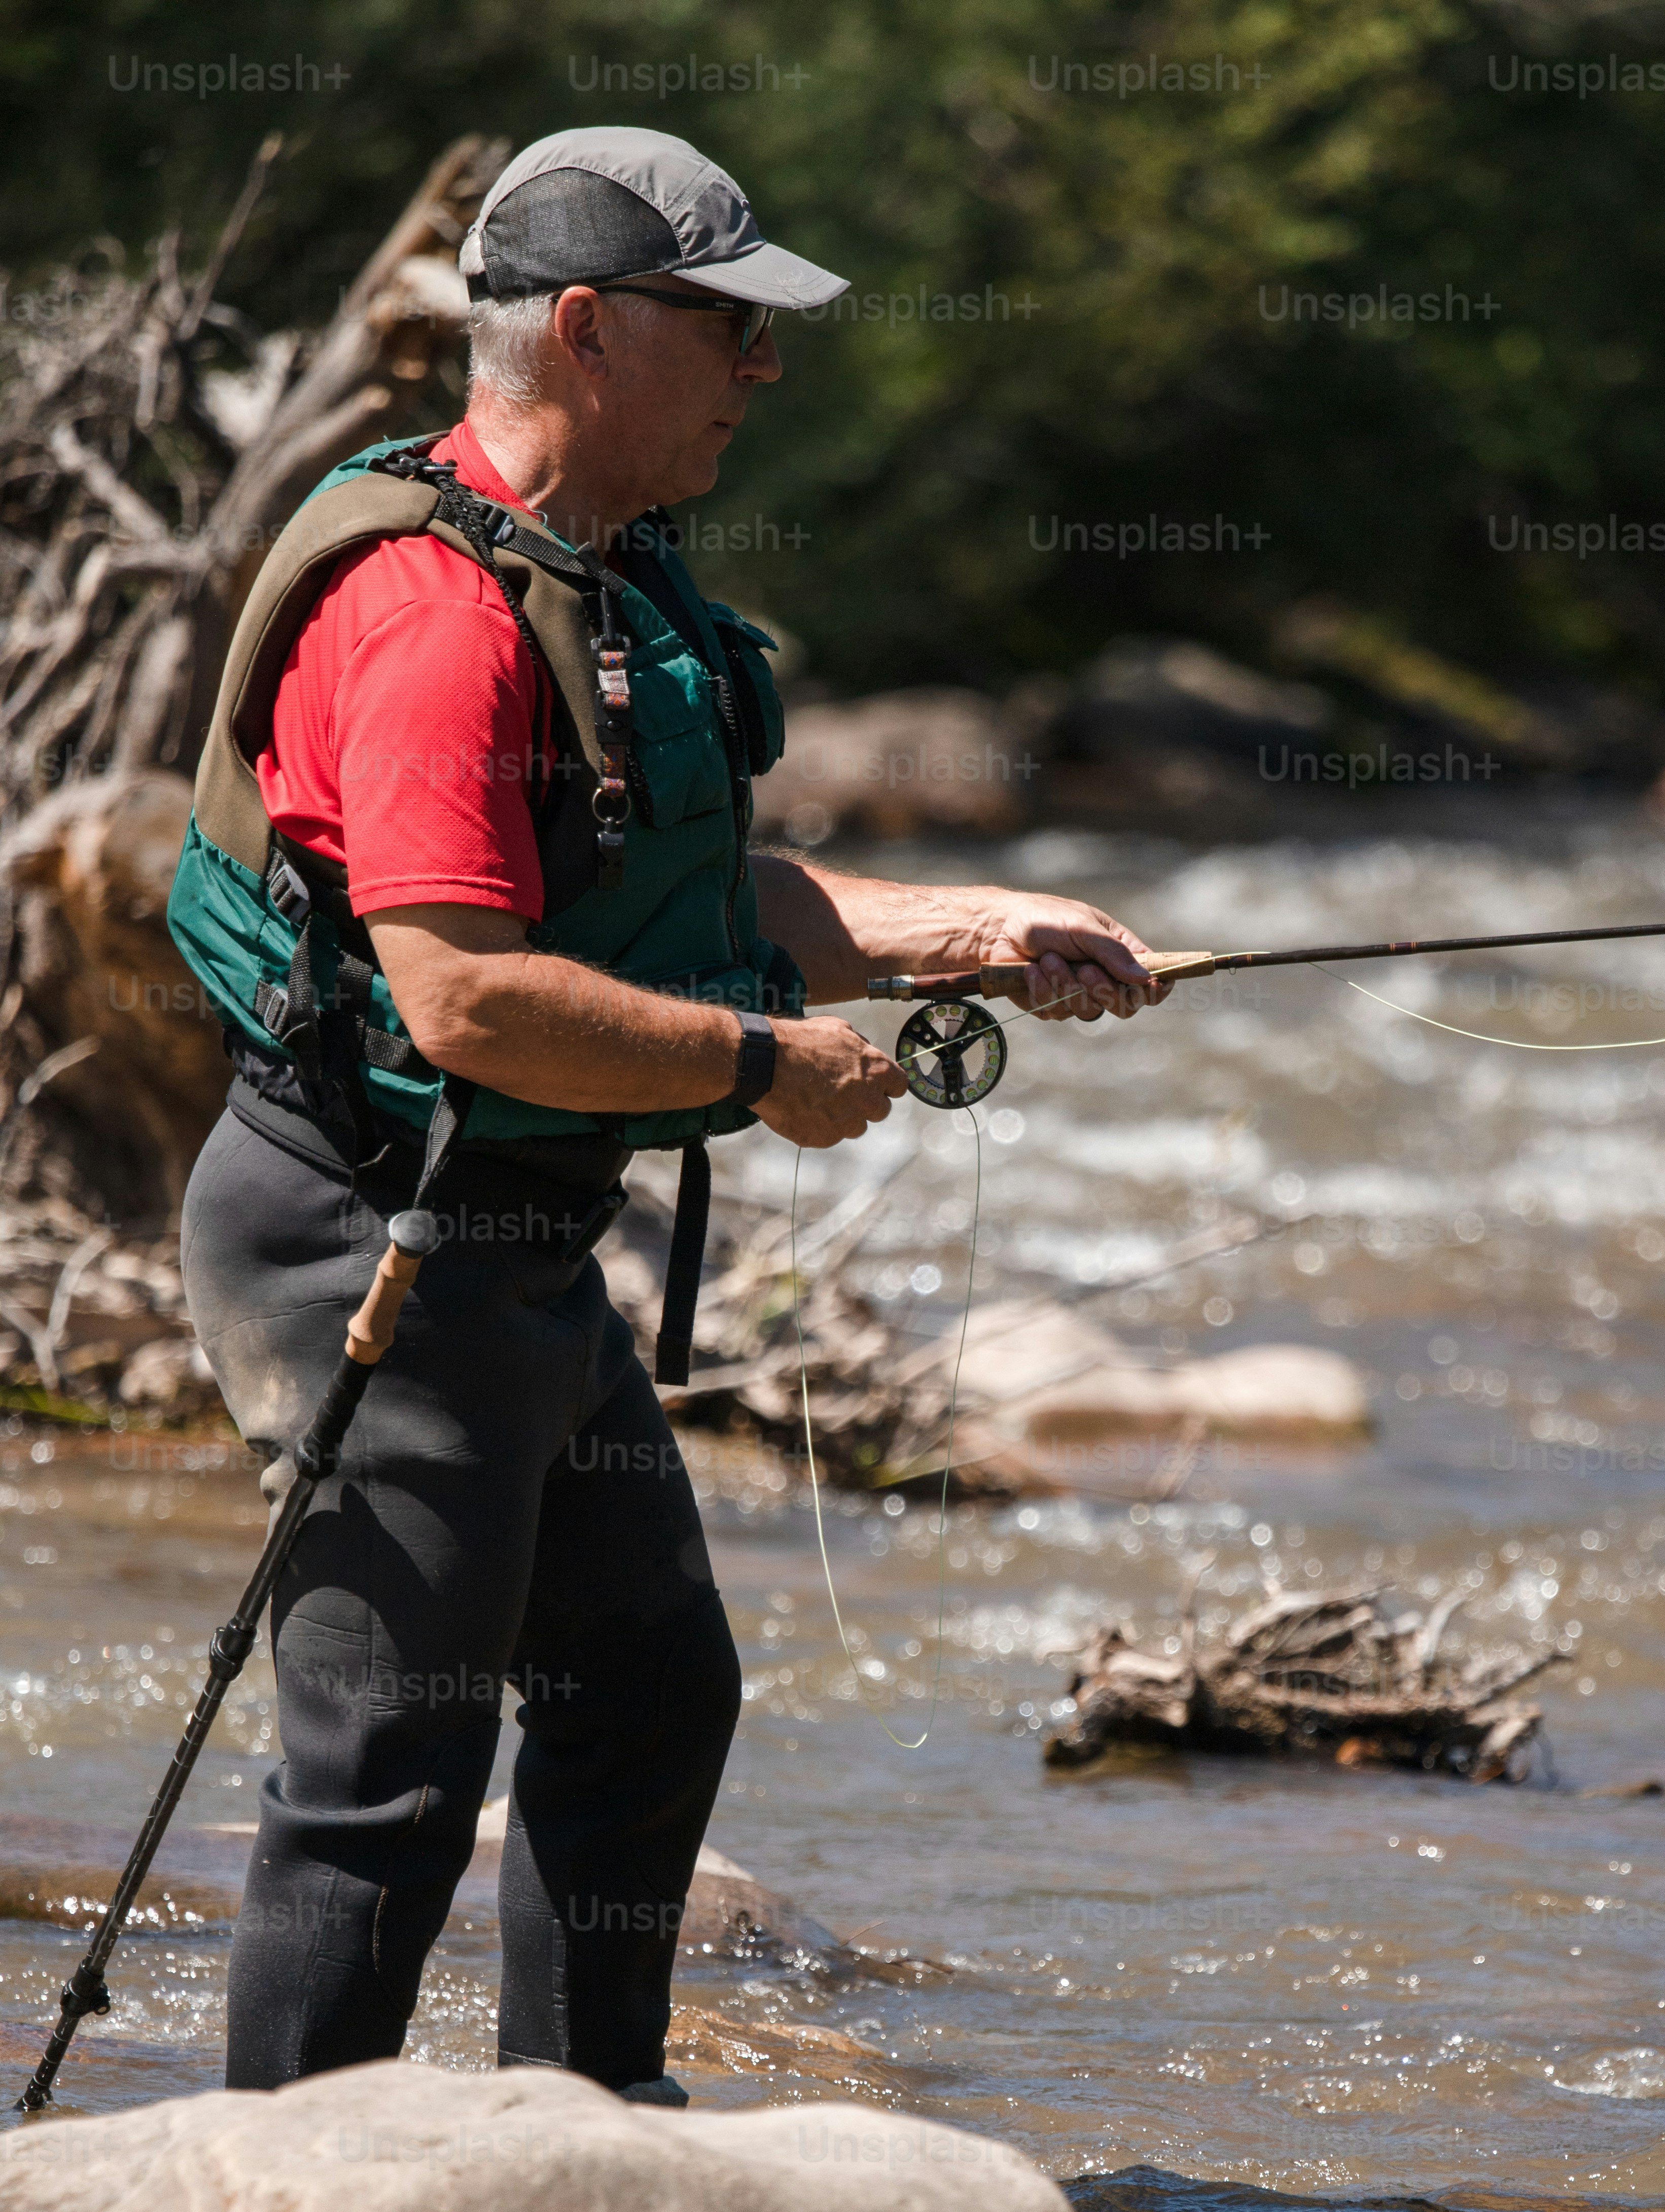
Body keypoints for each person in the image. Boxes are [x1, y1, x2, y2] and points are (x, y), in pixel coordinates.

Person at [166, 126, 1163, 2102]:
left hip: (510, 1241)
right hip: (366, 1235)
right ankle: (277, 2198)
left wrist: (974, 929)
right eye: (733, 328)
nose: (766, 371)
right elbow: (460, 996)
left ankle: (590, 2133)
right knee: (388, 1767)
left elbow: (708, 903)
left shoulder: (605, 585)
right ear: (594, 333)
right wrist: (754, 1070)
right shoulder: (435, 621)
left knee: (642, 1691)